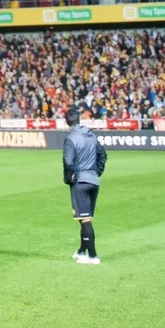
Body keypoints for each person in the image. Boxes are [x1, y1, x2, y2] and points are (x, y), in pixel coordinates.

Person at [63, 106, 107, 264]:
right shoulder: (91, 135)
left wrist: (68, 179)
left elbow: (68, 162)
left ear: (66, 122)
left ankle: (93, 256)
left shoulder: (71, 138)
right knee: (85, 218)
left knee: (85, 219)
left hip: (80, 181)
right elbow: (103, 155)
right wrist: (97, 172)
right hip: (93, 180)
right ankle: (81, 251)